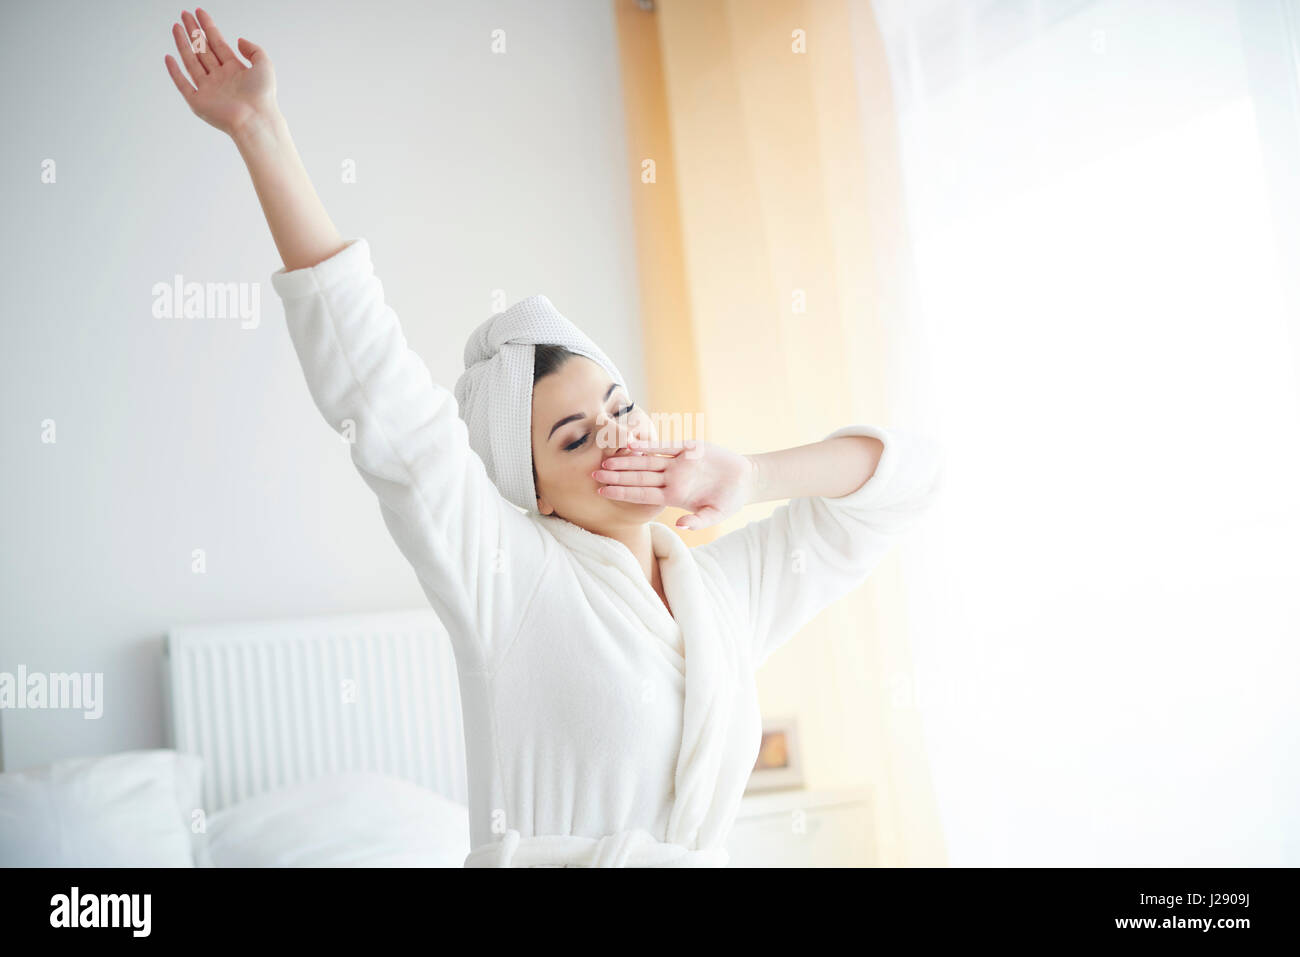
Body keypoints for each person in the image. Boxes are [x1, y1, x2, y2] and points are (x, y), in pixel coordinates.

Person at [164, 8, 945, 867]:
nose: (615, 437)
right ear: (533, 488)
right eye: (575, 438)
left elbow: (910, 481)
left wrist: (752, 474)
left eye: (619, 405)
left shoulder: (719, 595)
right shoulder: (509, 575)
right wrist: (260, 130)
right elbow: (381, 395)